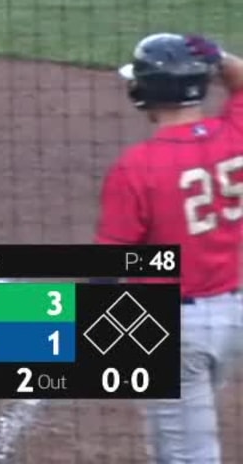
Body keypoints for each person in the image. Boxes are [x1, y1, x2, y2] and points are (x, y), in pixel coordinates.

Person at [95, 32, 243, 463]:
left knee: (186, 456)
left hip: (174, 332)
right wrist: (217, 56)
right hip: (234, 314)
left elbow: (109, 264)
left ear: (145, 91)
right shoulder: (235, 135)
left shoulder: (137, 166)